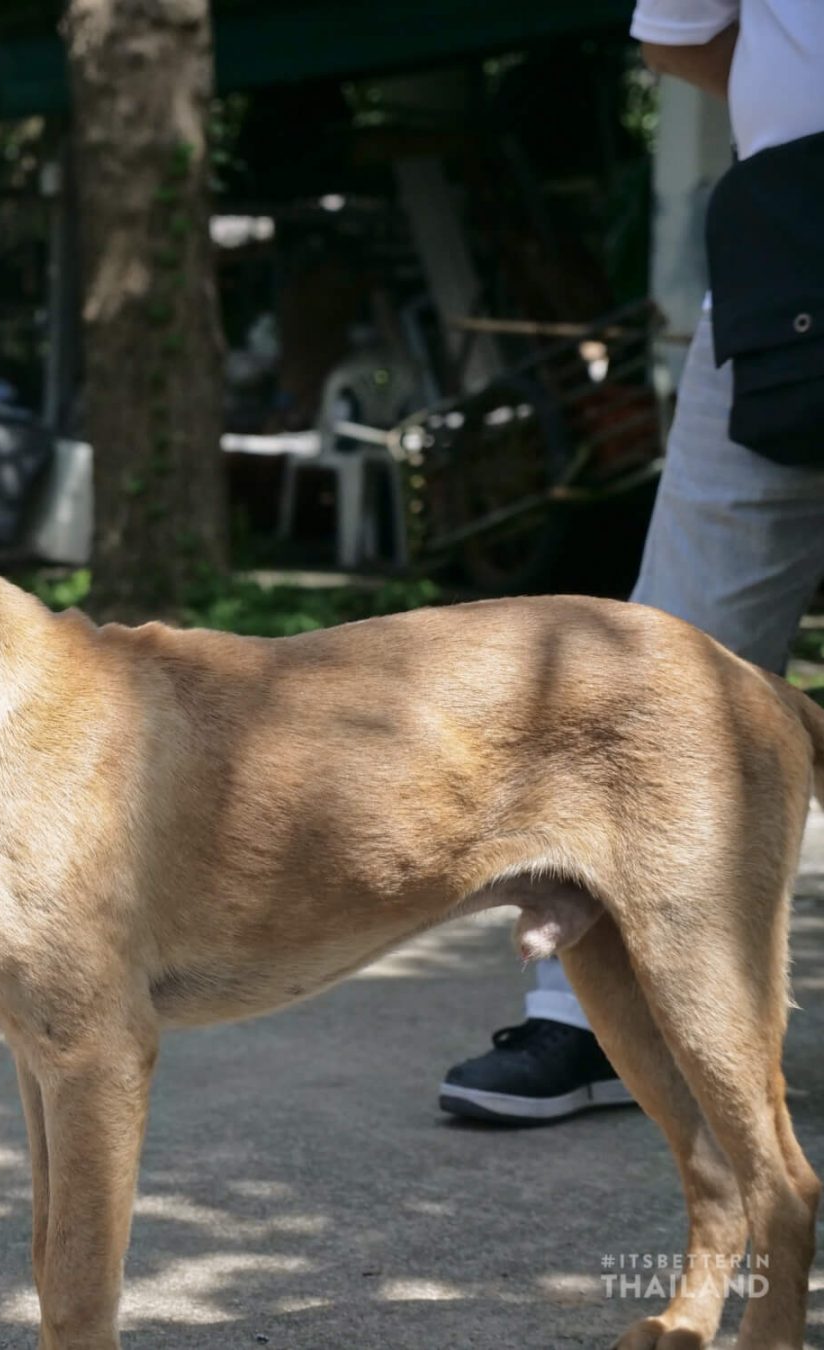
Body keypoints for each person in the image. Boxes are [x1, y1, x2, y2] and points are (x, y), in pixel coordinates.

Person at [440, 0, 824, 1124]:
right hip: (791, 258)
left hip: (783, 245)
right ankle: (592, 1017)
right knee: (672, 657)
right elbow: (679, 32)